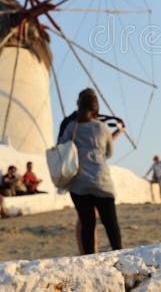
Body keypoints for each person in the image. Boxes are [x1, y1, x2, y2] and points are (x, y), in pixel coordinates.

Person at [60, 87, 124, 254]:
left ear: (78, 104)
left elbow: (62, 148)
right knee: (111, 225)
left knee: (87, 225)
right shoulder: (101, 127)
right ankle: (121, 257)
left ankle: (89, 260)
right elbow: (109, 153)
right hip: (101, 182)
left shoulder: (71, 127)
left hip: (79, 184)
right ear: (96, 107)